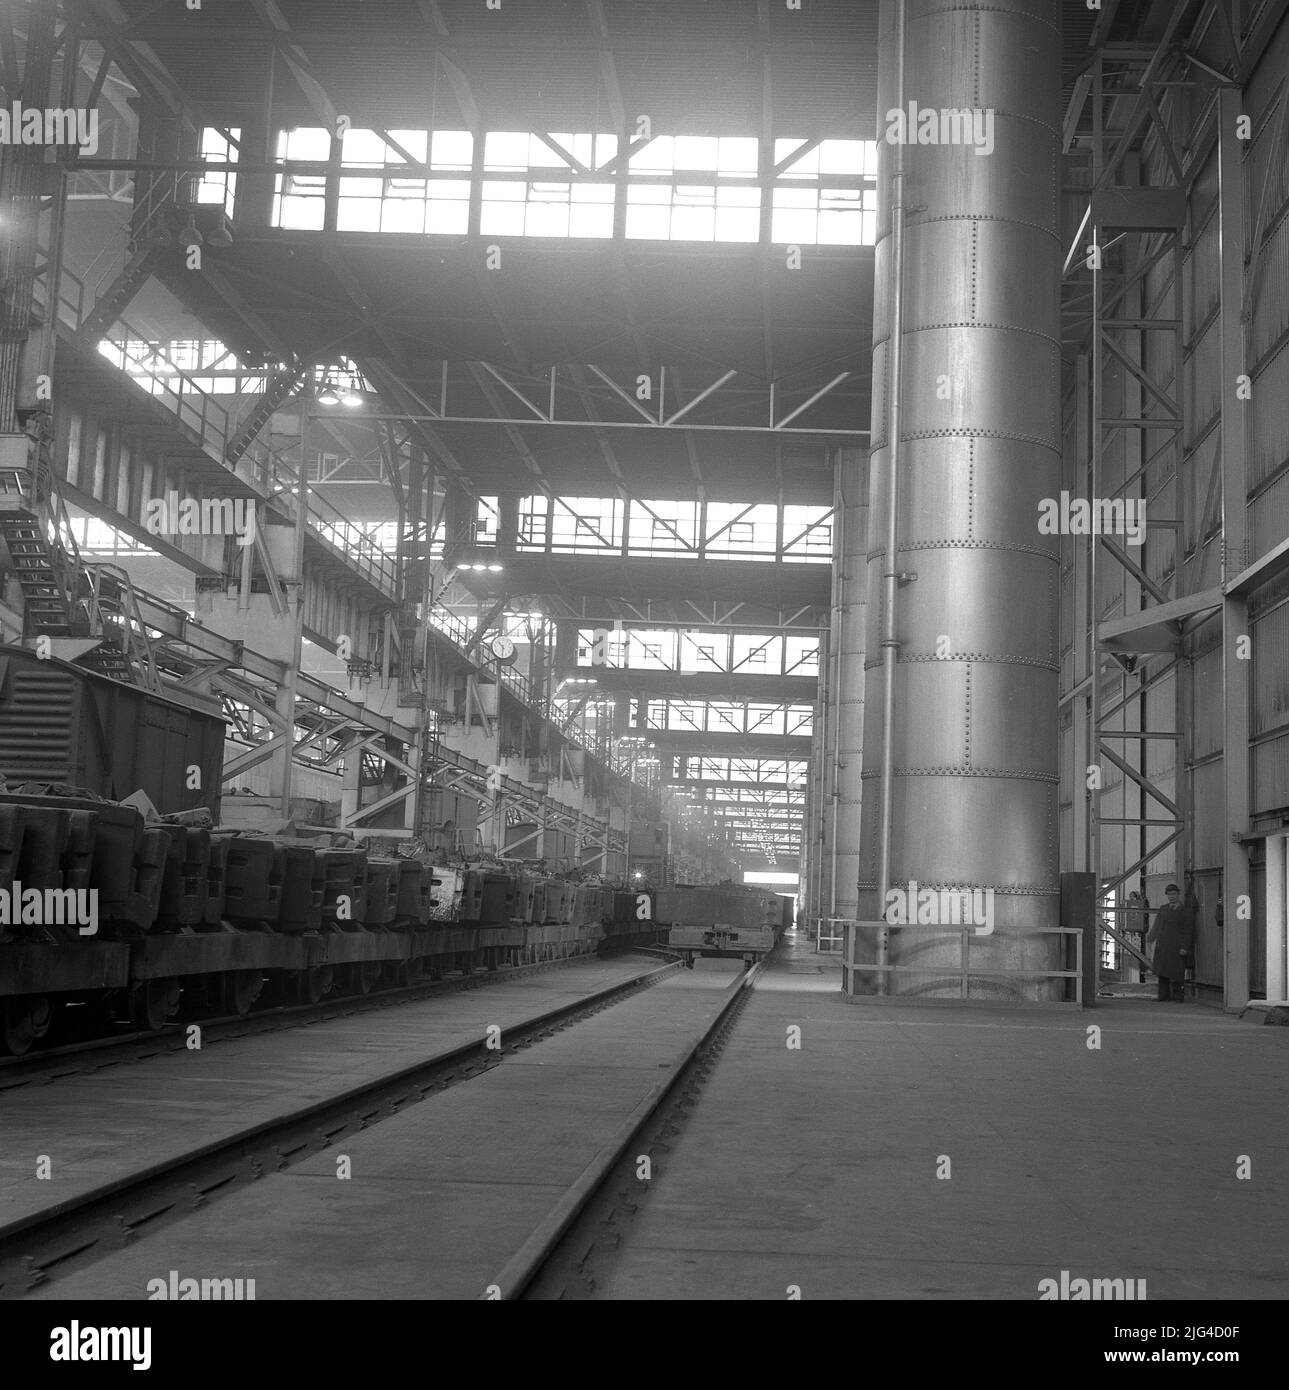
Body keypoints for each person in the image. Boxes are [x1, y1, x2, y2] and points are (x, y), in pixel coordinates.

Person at [1146, 883, 1194, 1001]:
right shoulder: (1163, 909)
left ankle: (1178, 997)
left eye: (1174, 894)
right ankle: (1163, 996)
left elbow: (1188, 931)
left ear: (1178, 894)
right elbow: (1157, 925)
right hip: (1163, 945)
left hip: (1177, 946)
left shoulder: (1185, 911)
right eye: (1169, 894)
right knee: (1162, 972)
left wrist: (1184, 947)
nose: (1171, 896)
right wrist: (1150, 938)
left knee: (1177, 972)